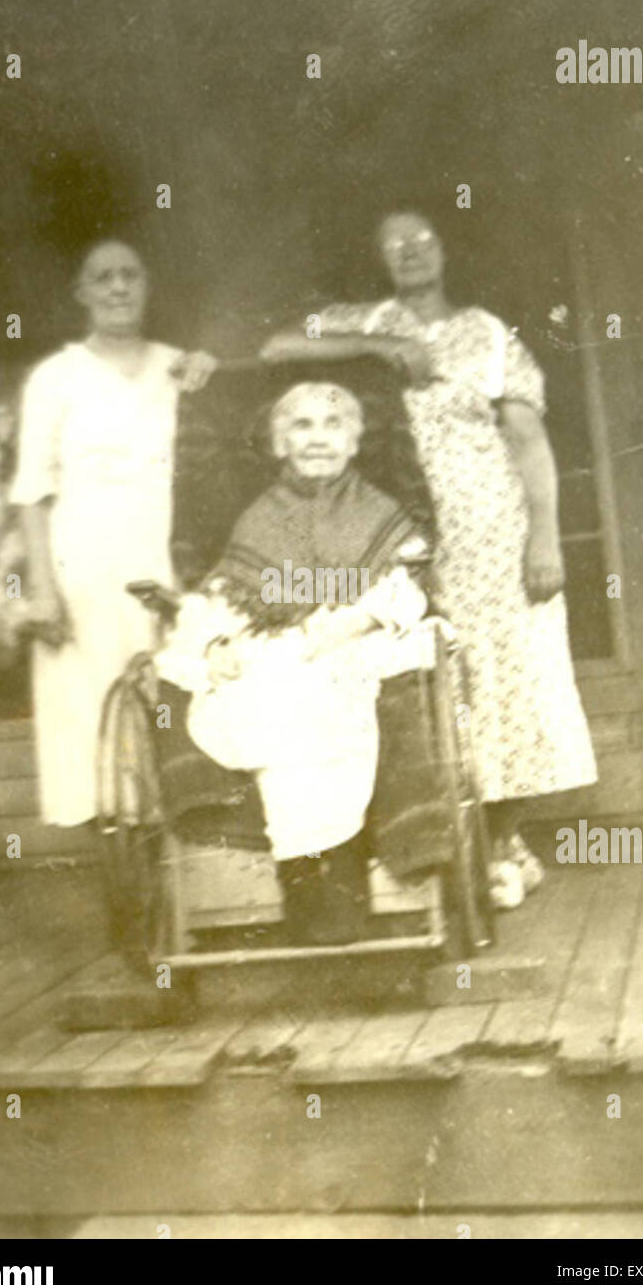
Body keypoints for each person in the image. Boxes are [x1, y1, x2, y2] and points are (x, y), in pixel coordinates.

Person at [260, 211, 597, 909]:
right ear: (380, 259)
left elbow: (529, 443)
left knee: (508, 685)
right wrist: (375, 345)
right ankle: (454, 853)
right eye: (395, 244)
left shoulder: (489, 334)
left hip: (493, 535)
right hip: (398, 535)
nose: (410, 252)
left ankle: (502, 845)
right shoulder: (364, 321)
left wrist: (544, 538)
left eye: (422, 240)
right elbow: (276, 345)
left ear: (445, 249)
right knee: (429, 683)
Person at [155, 381, 431, 946]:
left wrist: (358, 618)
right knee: (275, 702)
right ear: (280, 443)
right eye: (302, 427)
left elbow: (408, 588)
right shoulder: (260, 519)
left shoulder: (380, 513)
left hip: (352, 646)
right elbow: (223, 600)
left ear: (354, 442)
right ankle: (309, 894)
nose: (318, 439)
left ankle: (336, 896)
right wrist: (214, 645)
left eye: (333, 425)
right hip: (279, 651)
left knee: (330, 704)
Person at [9, 238, 217, 829]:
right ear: (81, 292)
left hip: (161, 556)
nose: (119, 287)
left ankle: (174, 852)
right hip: (83, 565)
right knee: (94, 714)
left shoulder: (179, 368)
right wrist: (42, 589)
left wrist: (210, 371)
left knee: (166, 698)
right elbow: (31, 490)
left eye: (130, 275)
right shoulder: (54, 378)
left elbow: (214, 453)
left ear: (147, 286)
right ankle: (116, 856)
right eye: (103, 278)